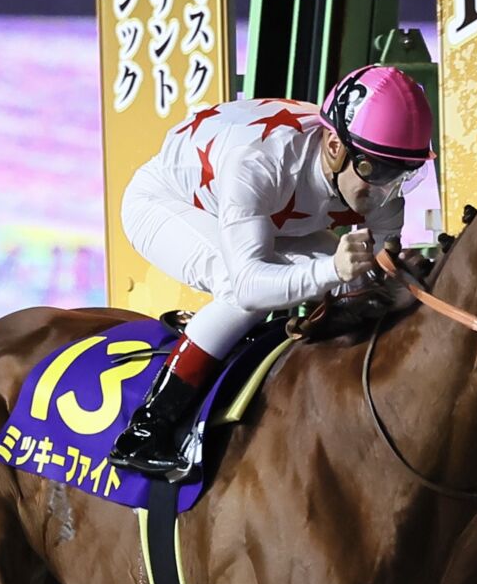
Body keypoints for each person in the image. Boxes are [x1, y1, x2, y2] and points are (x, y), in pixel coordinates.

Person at [107, 64, 434, 479]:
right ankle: (146, 431)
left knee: (354, 278)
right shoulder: (259, 163)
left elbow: (380, 272)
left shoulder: (373, 172)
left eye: (403, 174)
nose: (387, 192)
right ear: (334, 146)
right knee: (239, 295)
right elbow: (248, 286)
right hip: (169, 204)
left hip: (273, 217)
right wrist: (328, 270)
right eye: (377, 172)